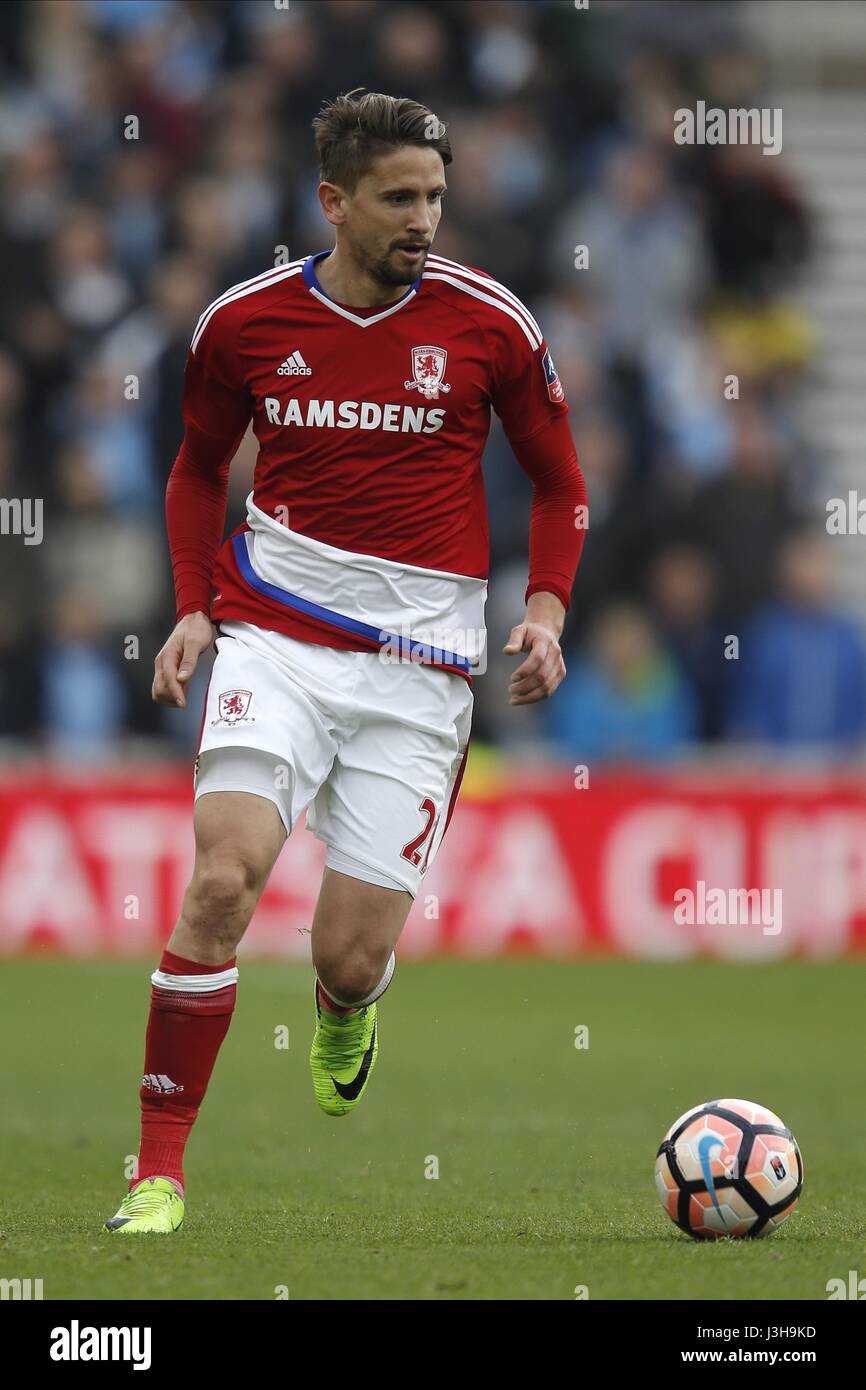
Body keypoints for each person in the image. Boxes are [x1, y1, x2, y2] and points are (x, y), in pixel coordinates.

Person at [103, 89, 587, 1234]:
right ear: (333, 201)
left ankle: (343, 1005)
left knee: (354, 953)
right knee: (220, 881)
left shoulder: (492, 325)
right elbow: (192, 470)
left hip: (420, 675)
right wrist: (189, 610)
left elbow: (561, 483)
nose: (425, 217)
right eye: (400, 197)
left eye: (435, 195)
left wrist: (549, 611)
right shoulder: (242, 324)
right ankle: (158, 1173)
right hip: (272, 635)